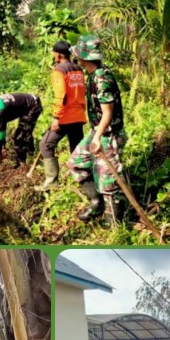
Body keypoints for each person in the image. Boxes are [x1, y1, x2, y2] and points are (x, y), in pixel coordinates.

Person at [67, 34, 126, 225]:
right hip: (97, 130)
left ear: (84, 57)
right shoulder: (93, 75)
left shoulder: (102, 79)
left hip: (109, 135)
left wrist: (98, 137)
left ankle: (114, 224)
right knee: (76, 162)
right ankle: (96, 203)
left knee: (109, 181)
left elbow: (107, 113)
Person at [35, 40, 86, 192]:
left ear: (57, 54)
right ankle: (83, 180)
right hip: (79, 115)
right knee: (76, 148)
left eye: (53, 52)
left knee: (45, 145)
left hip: (65, 116)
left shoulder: (59, 70)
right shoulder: (78, 69)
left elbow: (61, 95)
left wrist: (56, 117)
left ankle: (51, 182)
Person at [0, 91, 43, 167]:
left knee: (20, 136)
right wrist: (2, 148)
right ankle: (31, 151)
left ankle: (21, 162)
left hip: (33, 106)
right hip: (25, 106)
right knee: (24, 132)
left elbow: (0, 133)